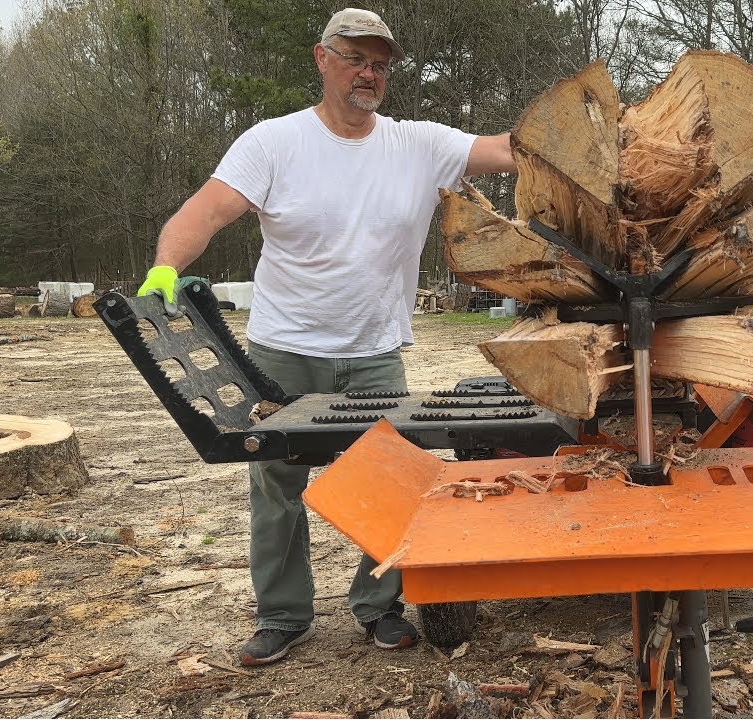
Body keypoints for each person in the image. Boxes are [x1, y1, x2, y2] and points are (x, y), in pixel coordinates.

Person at [136, 7, 516, 665]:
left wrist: (596, 135)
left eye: (379, 63)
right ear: (322, 59)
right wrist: (167, 266)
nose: (367, 73)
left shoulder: (418, 145)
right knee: (277, 486)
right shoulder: (273, 143)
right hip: (284, 352)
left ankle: (379, 608)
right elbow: (206, 210)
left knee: (393, 481)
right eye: (354, 58)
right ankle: (283, 616)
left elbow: (509, 149)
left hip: (374, 353)